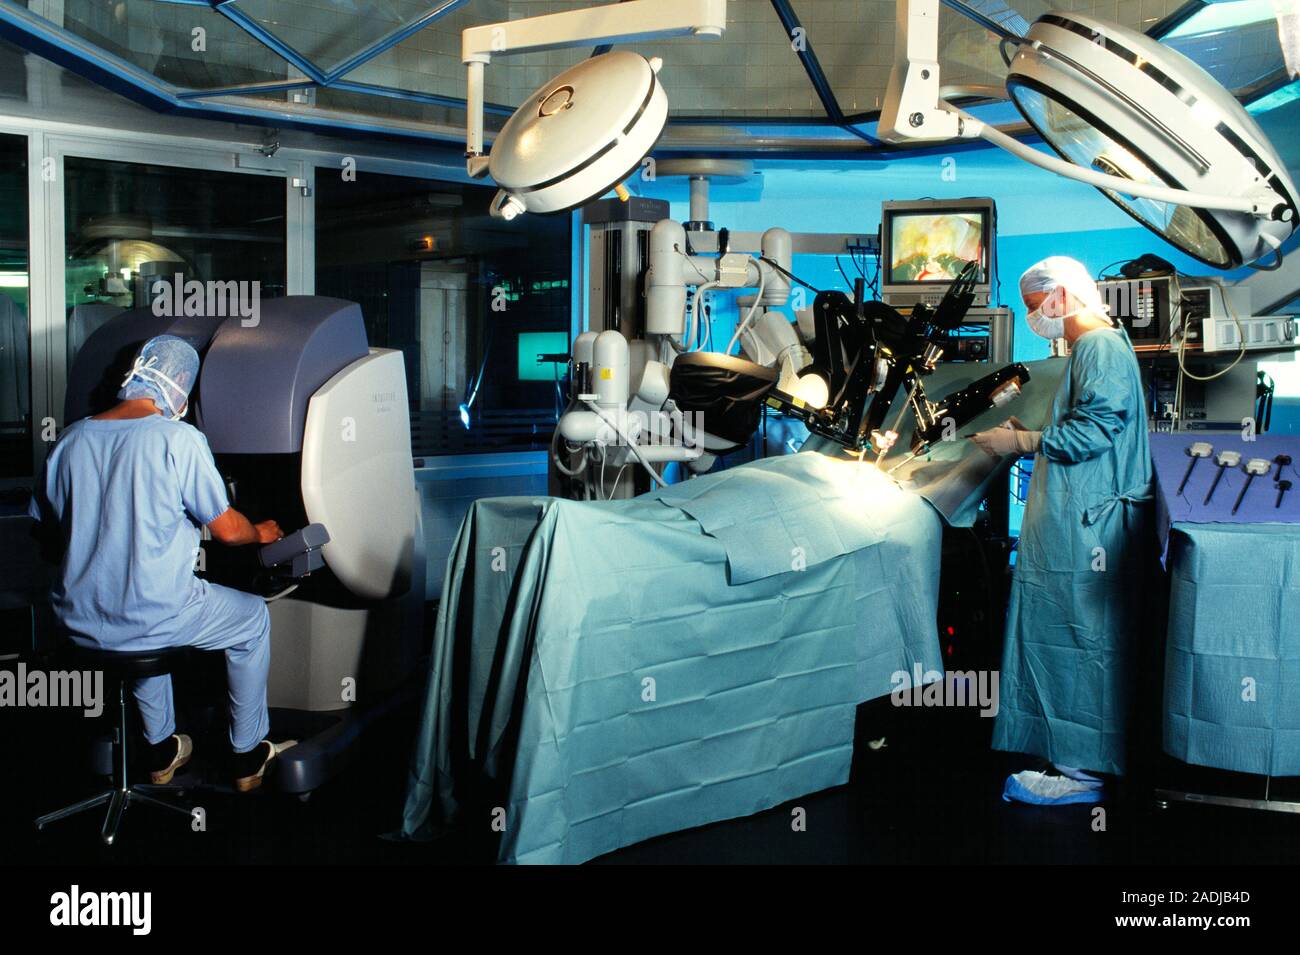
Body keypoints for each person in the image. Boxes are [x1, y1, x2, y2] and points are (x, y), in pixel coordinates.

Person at [30, 335, 293, 792]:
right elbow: (229, 531)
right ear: (178, 387)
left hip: (76, 621)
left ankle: (160, 750)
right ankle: (247, 756)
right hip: (152, 616)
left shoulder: (70, 440)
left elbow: (48, 537)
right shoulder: (179, 438)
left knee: (137, 613)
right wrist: (262, 532)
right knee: (249, 620)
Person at [971, 256, 1155, 806]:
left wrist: (1023, 444)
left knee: (1079, 643)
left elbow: (1098, 428)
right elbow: (1088, 421)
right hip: (1085, 520)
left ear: (1063, 295)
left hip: (1089, 529)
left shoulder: (1098, 345)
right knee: (1073, 639)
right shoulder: (1093, 349)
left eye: (1035, 307)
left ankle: (1083, 774)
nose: (1035, 318)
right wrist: (1032, 431)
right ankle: (1074, 758)